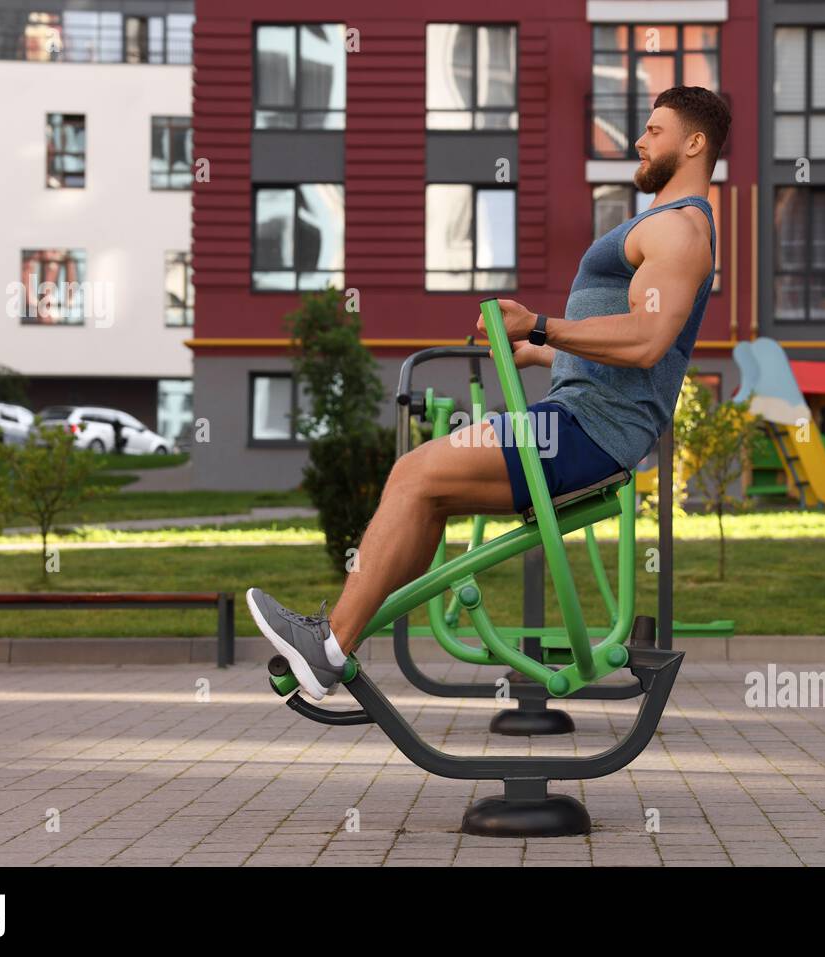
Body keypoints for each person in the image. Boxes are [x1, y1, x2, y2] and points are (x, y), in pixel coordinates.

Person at [248, 86, 731, 700]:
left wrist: (541, 325)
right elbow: (629, 352)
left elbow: (647, 341)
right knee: (424, 493)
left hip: (585, 431)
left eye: (655, 130)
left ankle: (329, 647)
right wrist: (544, 351)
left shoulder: (680, 230)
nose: (639, 140)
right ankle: (335, 645)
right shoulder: (662, 226)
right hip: (576, 419)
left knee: (415, 474)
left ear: (694, 144)